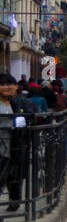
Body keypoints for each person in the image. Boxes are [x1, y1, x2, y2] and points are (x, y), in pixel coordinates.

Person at [0, 74, 34, 211]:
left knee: (14, 177)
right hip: (3, 147)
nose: (6, 87)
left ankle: (15, 200)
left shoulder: (22, 102)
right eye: (2, 84)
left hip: (16, 146)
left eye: (10, 84)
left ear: (16, 87)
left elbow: (30, 120)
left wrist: (21, 125)